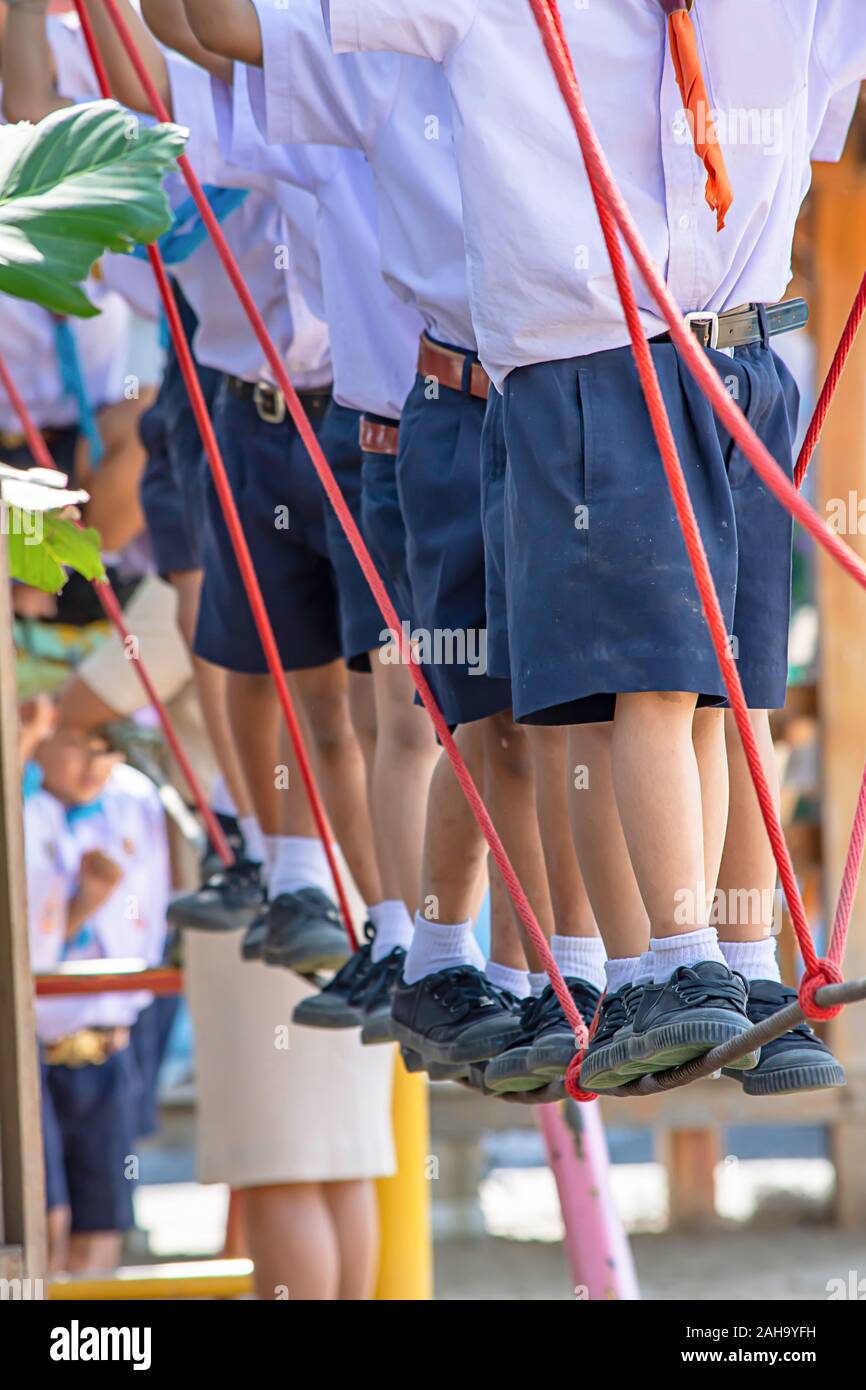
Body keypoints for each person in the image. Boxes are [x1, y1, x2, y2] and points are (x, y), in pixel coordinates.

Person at [320, 0, 862, 1093]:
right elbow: (224, 28)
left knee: (719, 690)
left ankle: (717, 960)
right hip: (595, 357)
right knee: (636, 693)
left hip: (730, 357)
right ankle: (660, 960)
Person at [181, 0, 606, 1090]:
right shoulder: (373, 67)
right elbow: (204, 28)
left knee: (556, 710)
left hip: (559, 397)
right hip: (420, 424)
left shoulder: (566, 44)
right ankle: (445, 954)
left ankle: (571, 969)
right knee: (459, 714)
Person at [24, 723, 170, 1273]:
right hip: (33, 1048)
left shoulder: (134, 800)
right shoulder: (21, 802)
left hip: (110, 1041)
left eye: (105, 748)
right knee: (41, 1223)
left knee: (102, 1223)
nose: (92, 762)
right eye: (76, 742)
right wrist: (82, 906)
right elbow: (26, 948)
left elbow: (151, 922)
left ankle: (94, 1342)